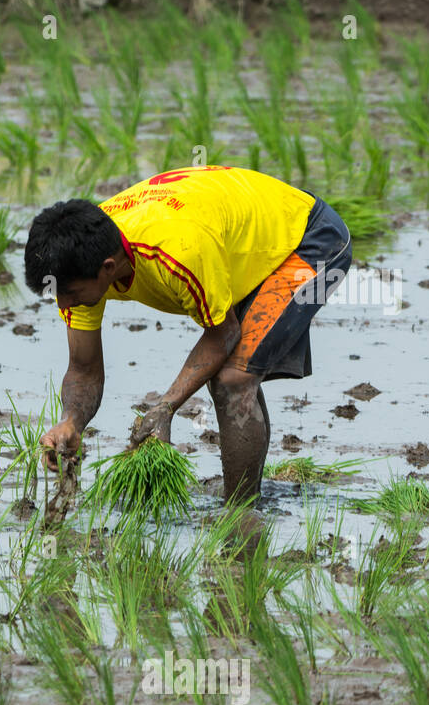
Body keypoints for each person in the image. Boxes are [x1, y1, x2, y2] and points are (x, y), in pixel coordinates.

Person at [25, 165, 352, 508]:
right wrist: (70, 423)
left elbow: (223, 333)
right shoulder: (81, 256)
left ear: (108, 268)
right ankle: (246, 502)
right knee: (233, 375)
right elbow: (83, 368)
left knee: (232, 378)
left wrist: (166, 407)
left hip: (309, 238)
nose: (64, 304)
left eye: (71, 293)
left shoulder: (176, 252)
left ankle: (241, 514)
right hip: (234, 239)